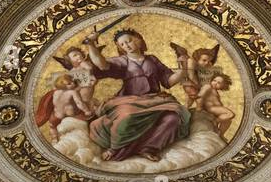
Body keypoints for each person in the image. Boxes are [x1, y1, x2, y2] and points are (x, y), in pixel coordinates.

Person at [80, 27, 190, 162]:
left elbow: (169, 81)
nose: (126, 45)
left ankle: (148, 148)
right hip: (128, 100)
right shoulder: (123, 61)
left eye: (129, 41)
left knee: (173, 118)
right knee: (128, 116)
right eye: (122, 44)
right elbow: (101, 65)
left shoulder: (152, 59)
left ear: (138, 40)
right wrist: (91, 44)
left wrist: (183, 67)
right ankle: (116, 149)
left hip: (155, 100)